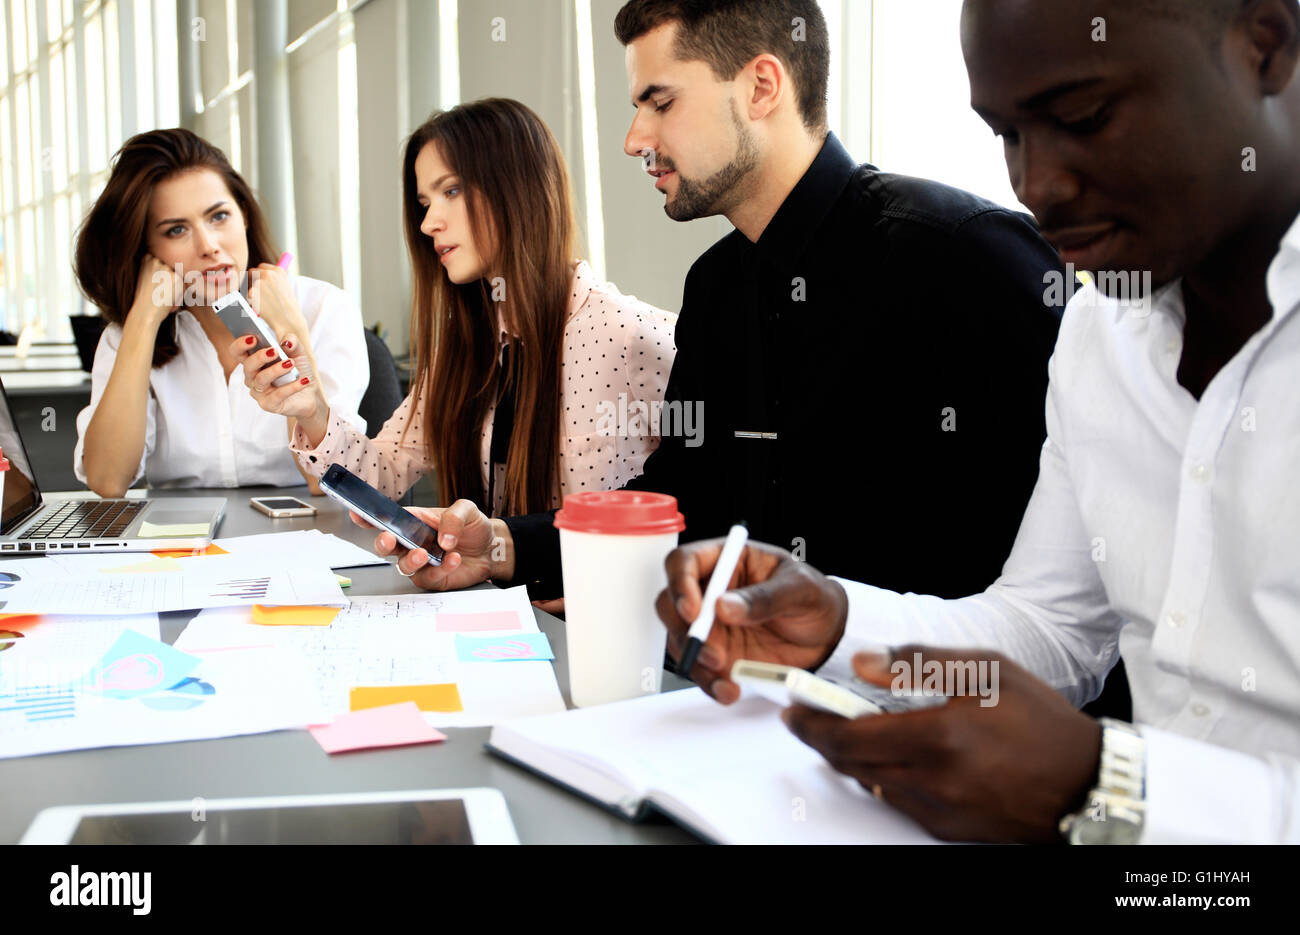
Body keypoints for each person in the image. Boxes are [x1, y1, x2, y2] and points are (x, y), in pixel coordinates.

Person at [656, 0, 1300, 844]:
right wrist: (841, 624)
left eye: (1083, 117)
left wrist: (1105, 787)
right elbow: (1050, 629)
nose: (1037, 186)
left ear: (1266, 44)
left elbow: (1116, 786)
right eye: (1007, 135)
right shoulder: (1101, 330)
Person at [367, 1, 1064, 616]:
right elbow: (684, 497)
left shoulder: (962, 256)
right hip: (742, 710)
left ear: (762, 86)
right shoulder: (717, 288)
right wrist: (499, 545)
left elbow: (1061, 587)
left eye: (660, 102)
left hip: (922, 727)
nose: (634, 139)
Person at [239, 98, 676, 525]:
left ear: (517, 188)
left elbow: (713, 497)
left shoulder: (629, 335)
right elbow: (382, 476)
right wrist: (310, 407)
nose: (429, 223)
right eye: (426, 203)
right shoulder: (464, 348)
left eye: (451, 190)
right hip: (497, 594)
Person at [72, 128, 368, 496]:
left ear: (243, 214)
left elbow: (327, 481)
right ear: (147, 249)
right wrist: (144, 321)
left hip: (309, 533)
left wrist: (290, 329)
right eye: (176, 229)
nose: (209, 246)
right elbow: (107, 482)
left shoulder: (324, 308)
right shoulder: (127, 337)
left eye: (218, 217)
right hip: (180, 547)